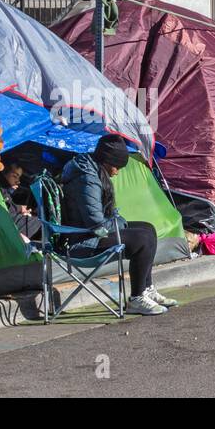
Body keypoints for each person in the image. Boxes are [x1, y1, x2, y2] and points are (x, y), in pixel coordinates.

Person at [60, 134, 179, 315]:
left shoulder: (92, 170)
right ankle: (137, 299)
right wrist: (120, 223)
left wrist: (119, 223)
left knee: (148, 228)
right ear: (106, 161)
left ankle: (146, 290)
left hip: (89, 233)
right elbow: (96, 223)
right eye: (116, 166)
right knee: (141, 239)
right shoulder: (87, 179)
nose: (117, 172)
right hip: (82, 241)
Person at [0, 161, 41, 241]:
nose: (18, 181)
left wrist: (20, 209)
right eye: (15, 176)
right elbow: (5, 209)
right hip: (1, 226)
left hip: (2, 223)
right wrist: (20, 209)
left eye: (19, 177)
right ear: (3, 173)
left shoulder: (5, 190)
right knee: (38, 222)